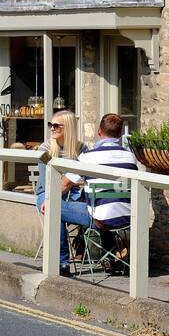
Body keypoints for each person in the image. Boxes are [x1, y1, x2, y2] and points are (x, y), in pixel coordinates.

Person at [64, 113, 136, 276]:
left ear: (99, 131)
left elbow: (64, 184)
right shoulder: (130, 157)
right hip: (127, 218)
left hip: (100, 220)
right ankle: (108, 258)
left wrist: (48, 199)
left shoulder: (88, 157)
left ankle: (61, 262)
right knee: (104, 205)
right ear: (119, 134)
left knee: (56, 208)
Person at [35, 110, 86, 276]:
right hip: (47, 193)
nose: (52, 129)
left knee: (97, 207)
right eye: (50, 125)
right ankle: (62, 261)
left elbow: (85, 178)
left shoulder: (82, 149)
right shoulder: (46, 149)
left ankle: (109, 255)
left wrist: (69, 182)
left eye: (56, 125)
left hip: (76, 194)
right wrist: (69, 182)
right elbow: (45, 183)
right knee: (54, 208)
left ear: (68, 127)